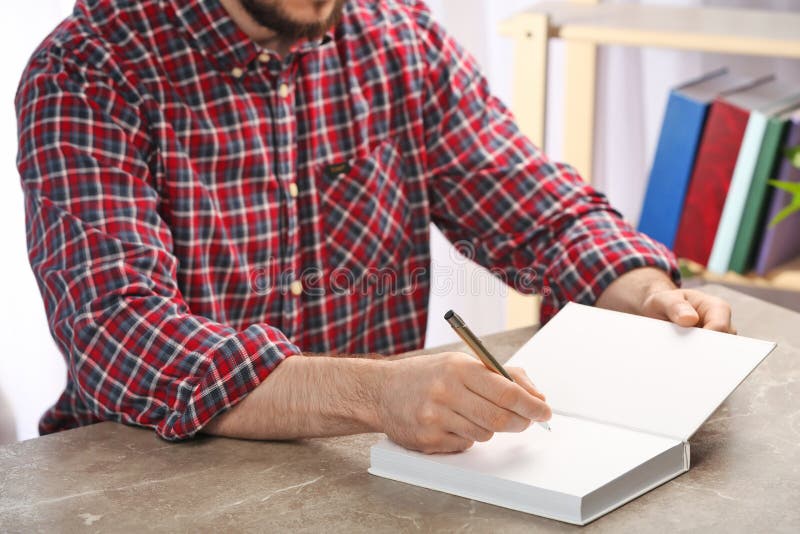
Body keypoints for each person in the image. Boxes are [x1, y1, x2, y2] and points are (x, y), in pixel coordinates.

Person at [16, 0, 734, 454]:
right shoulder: (88, 69)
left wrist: (644, 292)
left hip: (365, 473)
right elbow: (117, 334)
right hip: (140, 475)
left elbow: (539, 213)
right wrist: (374, 395)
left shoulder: (400, 38)